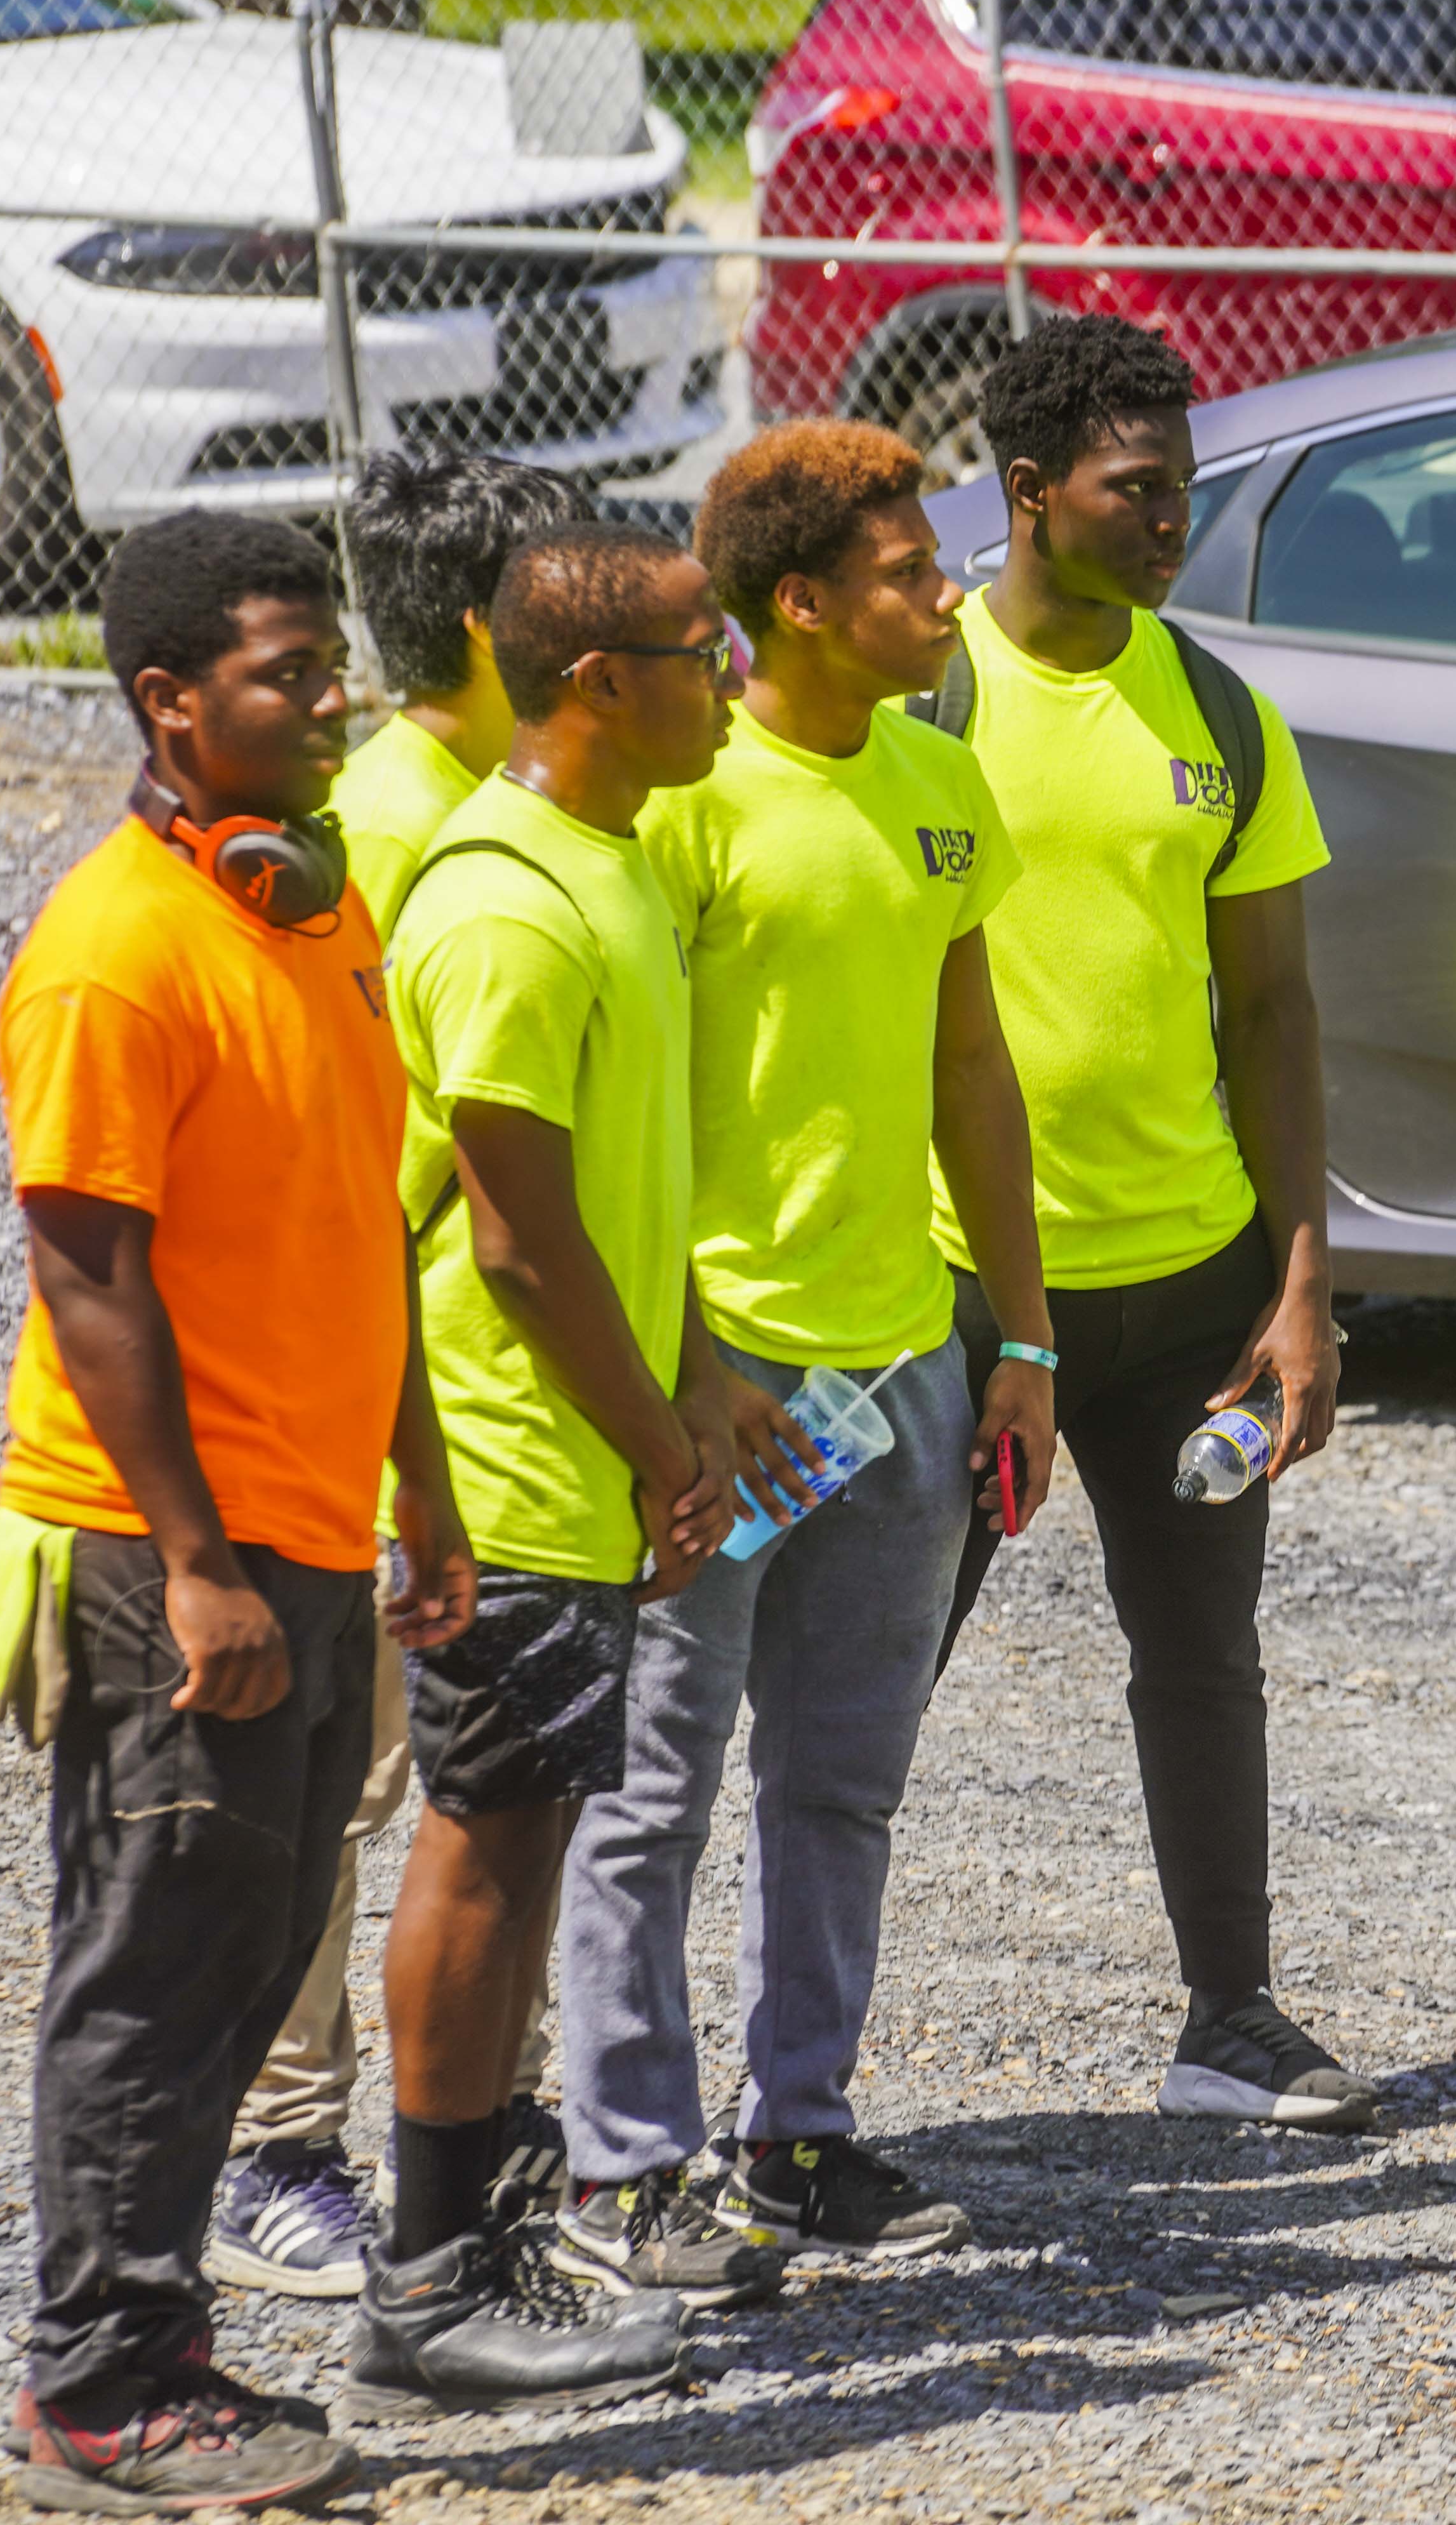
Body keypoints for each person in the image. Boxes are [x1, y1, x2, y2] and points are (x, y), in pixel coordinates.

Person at [0, 510, 473, 2512]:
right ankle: (97, 2384)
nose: (334, 697)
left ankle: (162, 2344)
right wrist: (191, 1564)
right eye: (288, 673)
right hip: (170, 1543)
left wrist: (416, 1485)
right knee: (160, 1955)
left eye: (334, 661)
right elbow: (87, 1278)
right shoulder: (116, 955)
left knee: (255, 1933)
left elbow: (363, 1228)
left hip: (313, 1522)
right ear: (170, 706)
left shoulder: (310, 914)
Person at [557, 421, 1061, 2284]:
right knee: (654, 1789)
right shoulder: (679, 803)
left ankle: (800, 2135)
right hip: (726, 1387)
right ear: (800, 606)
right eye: (913, 576)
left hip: (902, 1375)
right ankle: (622, 2169)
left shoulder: (942, 788)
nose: (947, 597)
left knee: (844, 1779)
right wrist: (684, 1364)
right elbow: (612, 1115)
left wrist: (1020, 1336)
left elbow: (971, 1072)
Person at [921, 313, 1373, 2128]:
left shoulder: (1219, 714)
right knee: (869, 1688)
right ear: (1029, 494)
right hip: (960, 1295)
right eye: (1138, 488)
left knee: (1204, 1656)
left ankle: (1230, 2021)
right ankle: (789, 2093)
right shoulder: (916, 699)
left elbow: (1270, 1012)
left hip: (1187, 1286)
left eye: (1185, 485)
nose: (1176, 515)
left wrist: (1301, 1282)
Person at [348, 523, 746, 2416]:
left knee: (520, 1839)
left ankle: (478, 2238)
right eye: (701, 649)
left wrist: (706, 1380)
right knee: (487, 1843)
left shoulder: (613, 863)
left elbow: (623, 1195)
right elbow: (513, 1238)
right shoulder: (508, 899)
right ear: (600, 687)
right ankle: (427, 2285)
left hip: (584, 1451)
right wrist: (660, 1445)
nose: (730, 675)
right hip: (511, 1469)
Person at [211, 444, 587, 2303]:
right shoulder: (384, 826)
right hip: (398, 1403)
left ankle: (481, 2123)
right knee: (344, 1801)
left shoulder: (496, 799)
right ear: (478, 626)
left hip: (474, 1407)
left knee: (482, 1790)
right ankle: (277, 2151)